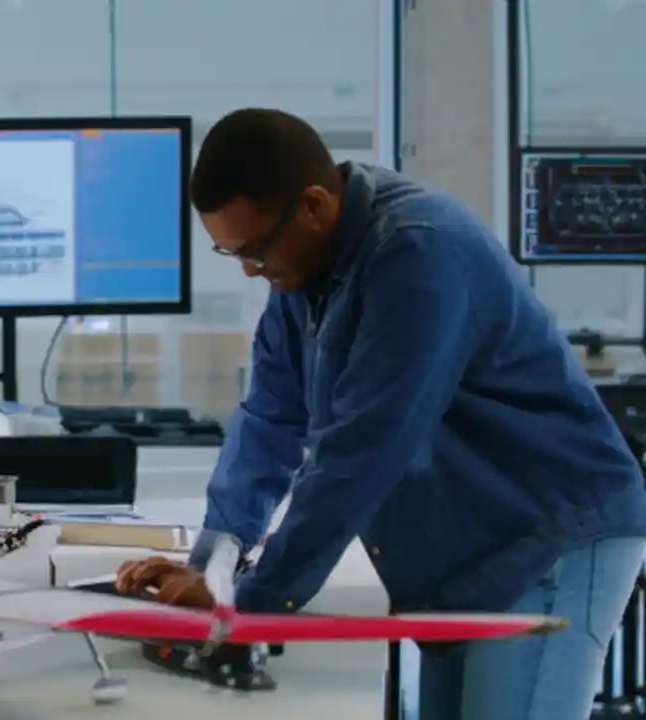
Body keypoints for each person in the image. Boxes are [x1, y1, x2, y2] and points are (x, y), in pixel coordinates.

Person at [115, 108, 646, 720]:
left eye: (256, 250)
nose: (249, 270)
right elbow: (269, 419)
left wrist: (249, 602)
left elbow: (363, 450)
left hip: (549, 538)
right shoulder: (304, 272)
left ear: (313, 206)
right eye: (232, 252)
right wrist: (215, 564)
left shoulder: (418, 255)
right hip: (467, 551)